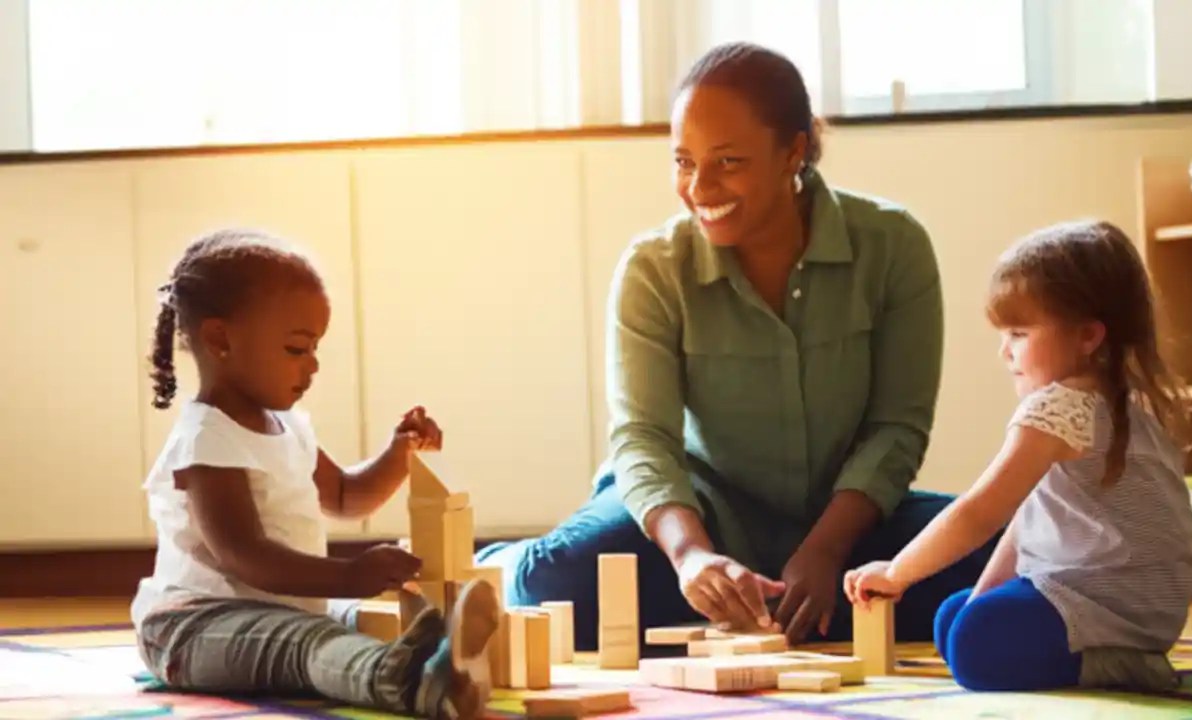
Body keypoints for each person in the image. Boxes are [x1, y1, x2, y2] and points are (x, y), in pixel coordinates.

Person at [476, 41, 996, 648]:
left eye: (727, 161)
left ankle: (788, 601)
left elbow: (897, 428)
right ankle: (504, 565)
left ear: (792, 153)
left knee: (1007, 553)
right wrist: (692, 556)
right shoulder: (654, 269)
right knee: (557, 584)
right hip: (696, 517)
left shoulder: (895, 247)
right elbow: (643, 439)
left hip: (845, 526)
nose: (699, 186)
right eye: (683, 161)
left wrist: (827, 550)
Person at [131, 229, 500, 719]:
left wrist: (399, 454)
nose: (314, 365)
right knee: (313, 640)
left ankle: (442, 652)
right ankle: (407, 681)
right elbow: (244, 555)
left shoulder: (288, 426)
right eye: (296, 348)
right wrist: (349, 573)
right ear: (221, 340)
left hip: (281, 609)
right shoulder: (207, 439)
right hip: (194, 627)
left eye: (315, 348)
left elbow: (346, 497)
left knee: (355, 618)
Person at [844, 220, 1192, 692]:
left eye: (1018, 333)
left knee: (974, 643)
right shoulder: (1127, 403)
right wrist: (984, 596)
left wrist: (896, 572)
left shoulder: (1057, 408)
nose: (1004, 352)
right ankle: (1114, 649)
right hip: (1145, 604)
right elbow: (1024, 519)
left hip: (1101, 600)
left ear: (1088, 336)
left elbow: (980, 511)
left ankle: (1120, 664)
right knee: (956, 617)